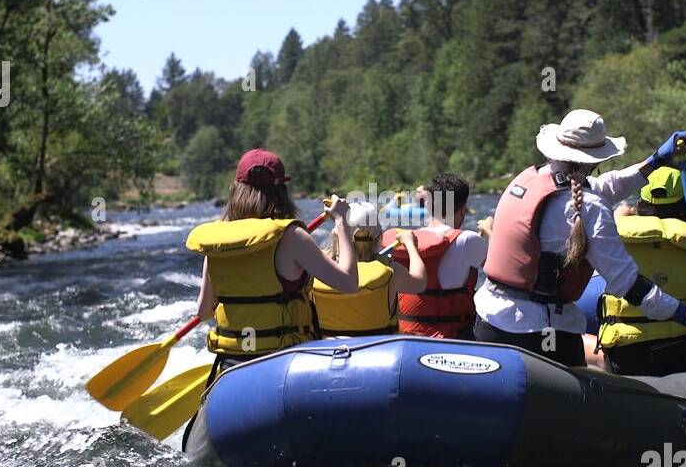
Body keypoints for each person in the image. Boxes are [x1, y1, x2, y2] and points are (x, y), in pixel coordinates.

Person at [473, 109, 686, 367]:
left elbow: (609, 185)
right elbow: (628, 285)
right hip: (536, 333)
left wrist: (655, 160)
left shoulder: (533, 178)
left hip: (488, 322)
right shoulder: (589, 206)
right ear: (595, 159)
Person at [188, 148, 359, 374]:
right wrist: (341, 222)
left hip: (233, 367)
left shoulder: (218, 243)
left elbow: (203, 313)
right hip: (285, 367)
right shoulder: (292, 237)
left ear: (236, 190)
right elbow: (349, 283)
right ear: (281, 191)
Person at [592, 167, 686, 376]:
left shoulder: (614, 233)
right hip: (685, 353)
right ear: (685, 207)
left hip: (629, 355)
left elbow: (616, 216)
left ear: (640, 204)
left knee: (588, 343)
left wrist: (625, 211)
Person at [382, 173, 488, 339]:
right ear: (462, 210)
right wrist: (491, 231)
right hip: (450, 338)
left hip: (406, 335)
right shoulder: (468, 239)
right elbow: (501, 272)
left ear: (428, 207)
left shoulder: (406, 240)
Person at [311, 201, 427, 337]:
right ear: (379, 238)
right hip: (375, 353)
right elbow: (420, 282)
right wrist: (410, 245)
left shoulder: (316, 270)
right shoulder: (392, 271)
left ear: (337, 235)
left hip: (328, 353)